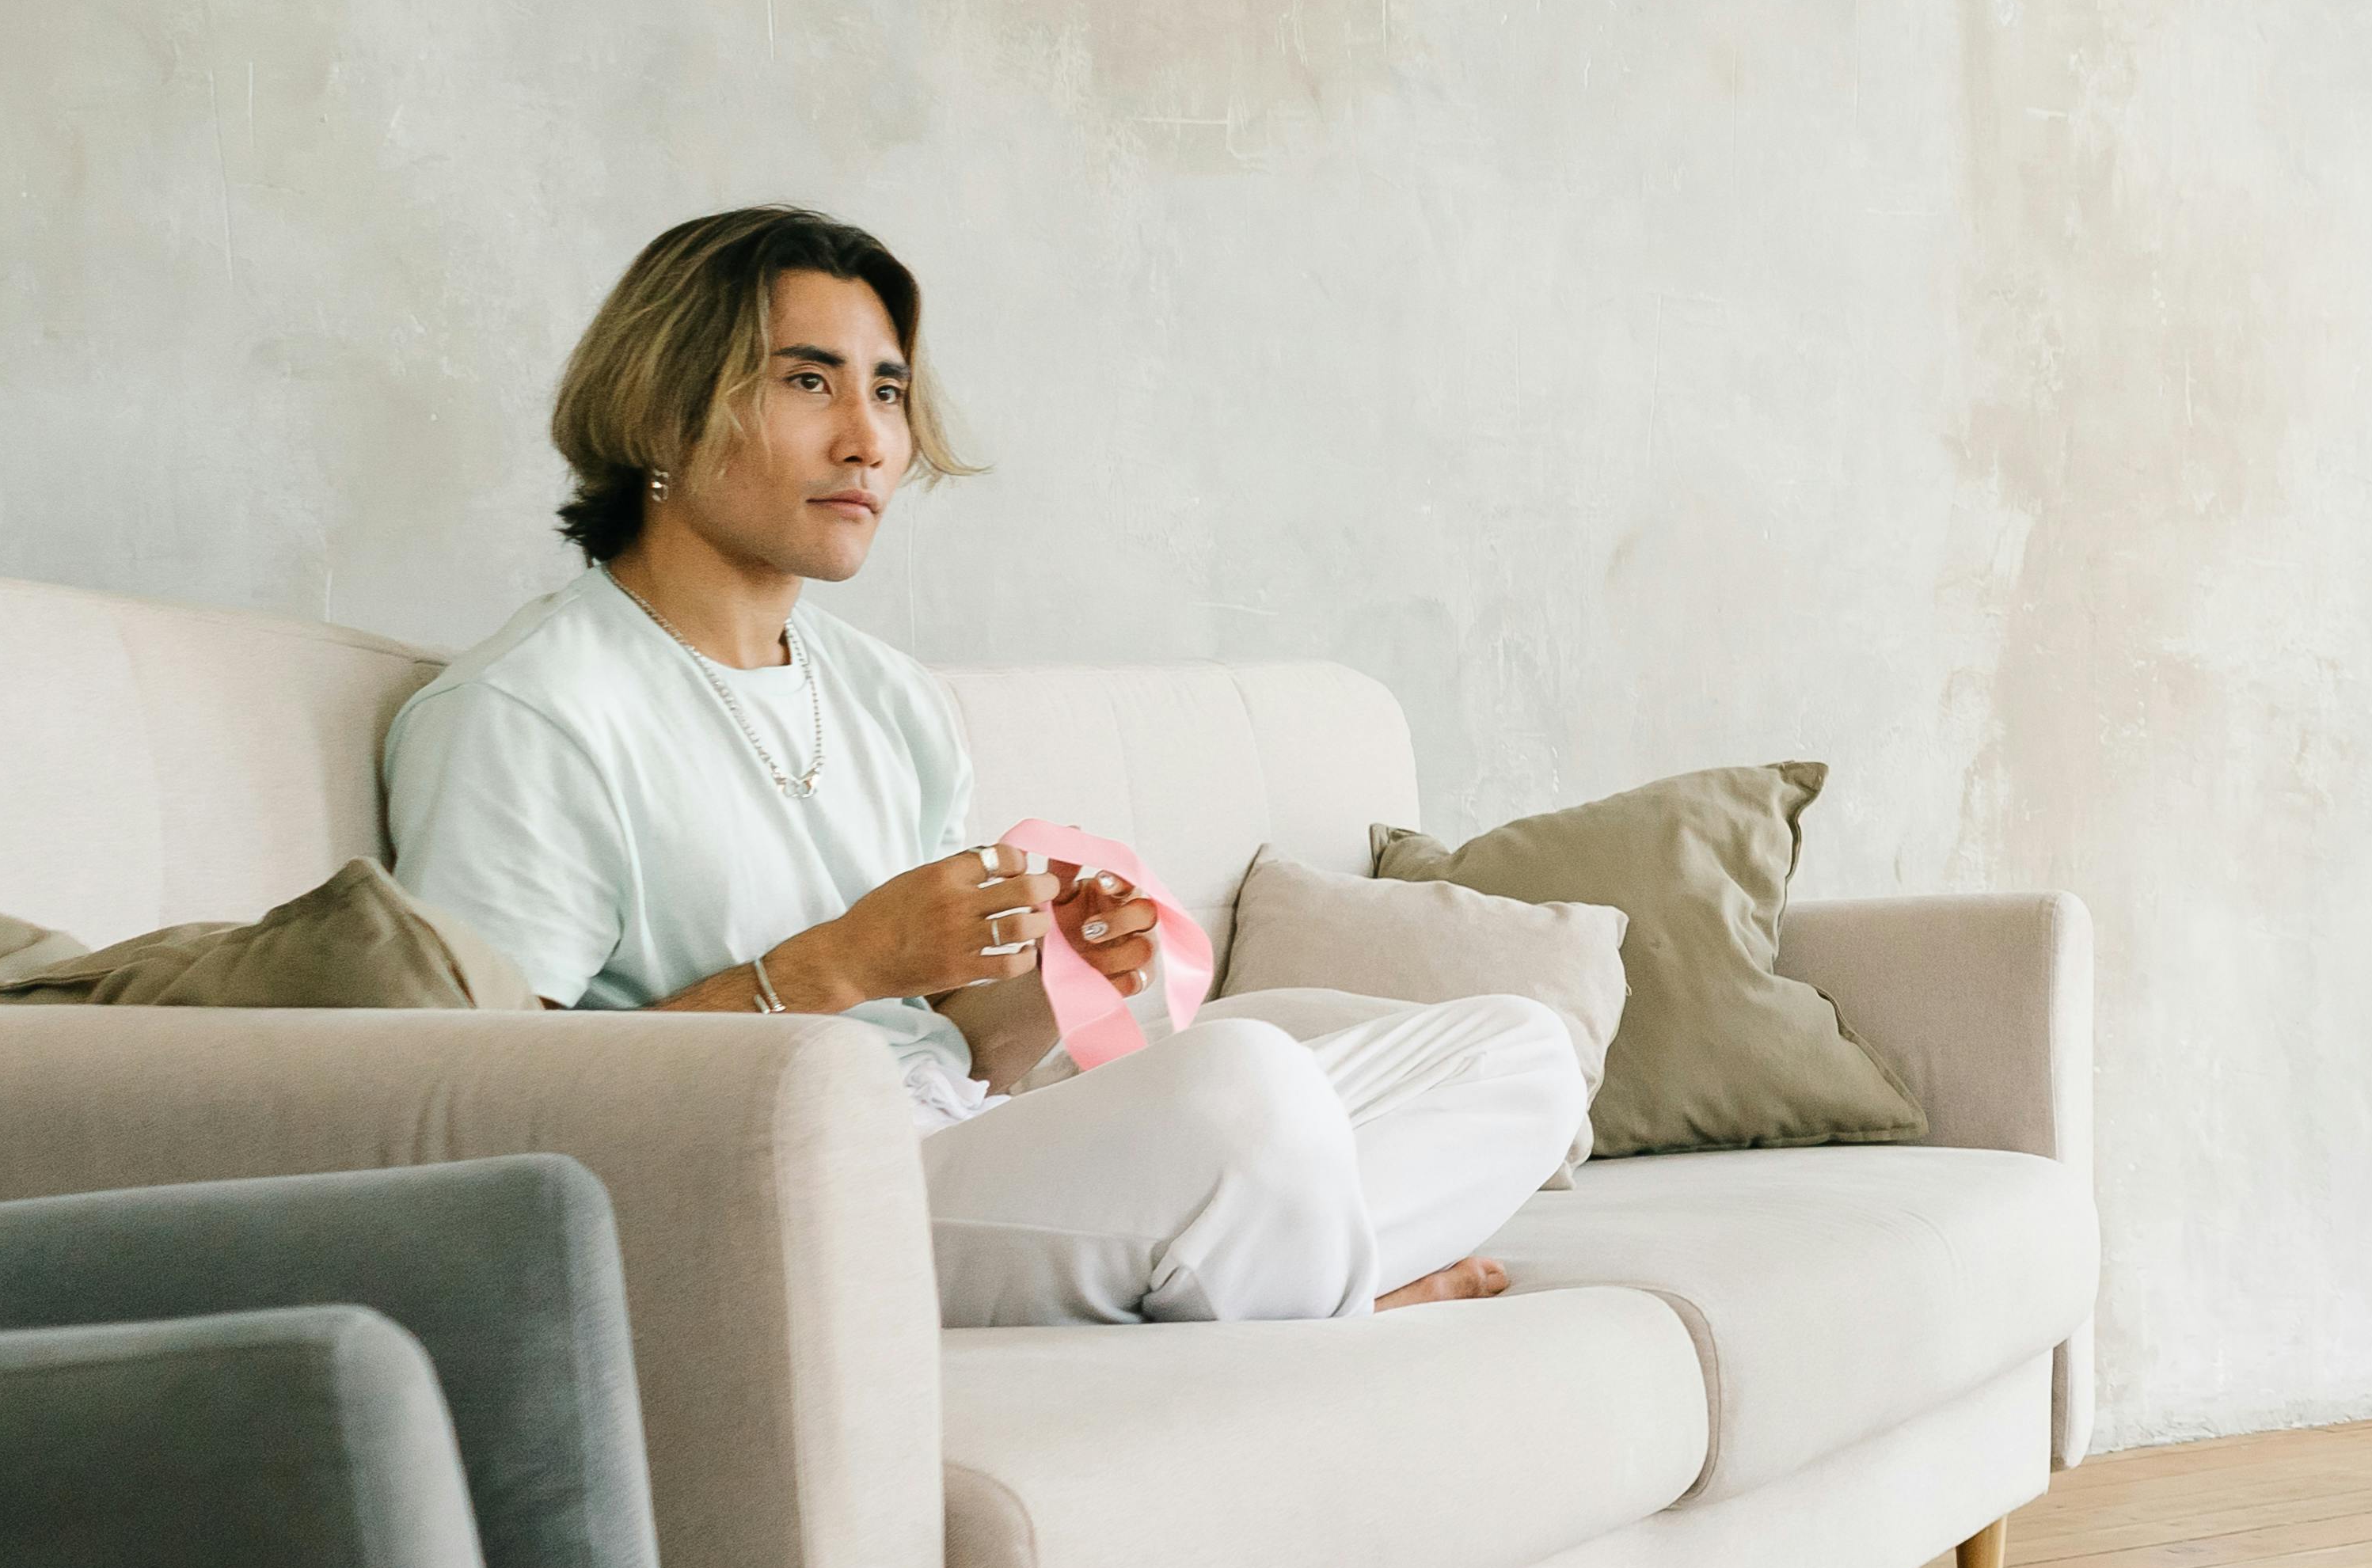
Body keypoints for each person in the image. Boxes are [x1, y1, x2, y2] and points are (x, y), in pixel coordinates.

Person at [387, 206, 1586, 1331]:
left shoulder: (887, 696)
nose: (869, 441)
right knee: (1244, 1089)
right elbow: (497, 1114)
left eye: (887, 389)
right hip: (775, 1186)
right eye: (808, 380)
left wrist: (1055, 974)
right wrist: (842, 962)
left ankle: (1274, 1276)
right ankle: (1327, 1296)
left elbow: (964, 1057)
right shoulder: (529, 711)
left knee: (1517, 1052)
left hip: (959, 1138)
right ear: (661, 412)